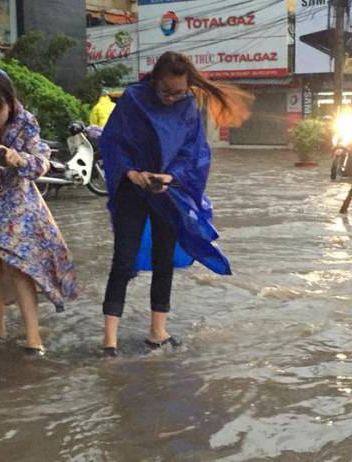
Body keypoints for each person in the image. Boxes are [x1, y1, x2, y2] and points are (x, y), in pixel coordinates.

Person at [99, 51, 251, 357]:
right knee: (123, 260)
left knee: (163, 260)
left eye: (178, 92)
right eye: (166, 91)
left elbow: (194, 154)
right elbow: (113, 142)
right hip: (132, 188)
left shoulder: (189, 108)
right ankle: (108, 341)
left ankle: (157, 332)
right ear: (154, 80)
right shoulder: (133, 99)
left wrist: (169, 177)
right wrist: (132, 173)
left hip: (167, 193)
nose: (171, 98)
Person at [0, 71, 80, 356]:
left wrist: (19, 159)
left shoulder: (26, 122)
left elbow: (42, 163)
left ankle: (33, 340)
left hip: (17, 203)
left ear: (10, 104)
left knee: (20, 268)